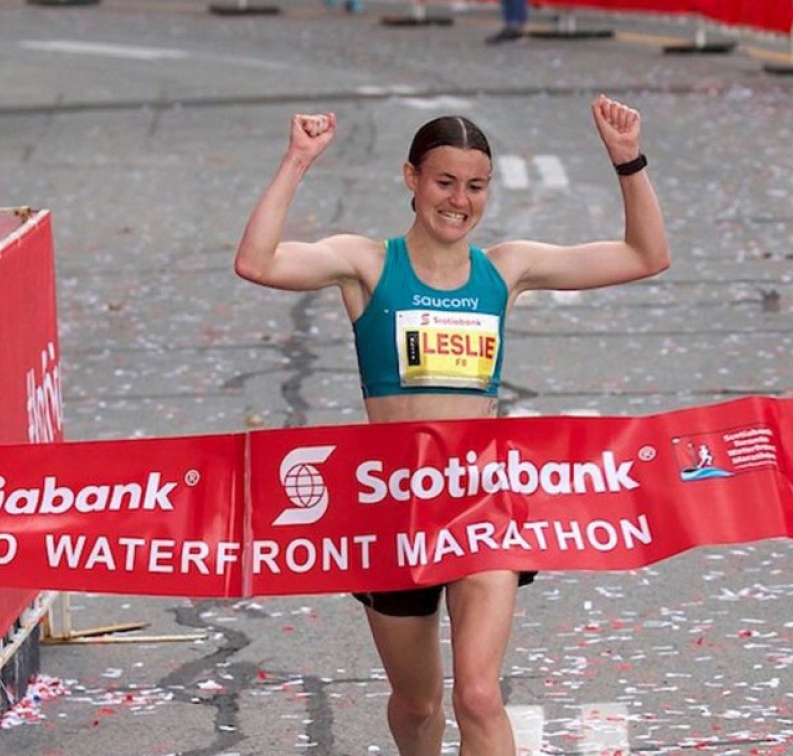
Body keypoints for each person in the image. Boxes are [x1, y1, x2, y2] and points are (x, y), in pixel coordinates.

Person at [234, 95, 668, 755]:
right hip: (394, 512)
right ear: (412, 180)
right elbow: (258, 262)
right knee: (418, 705)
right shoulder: (368, 265)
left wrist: (626, 160)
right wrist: (298, 161)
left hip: (479, 508)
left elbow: (645, 254)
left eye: (475, 187)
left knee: (480, 696)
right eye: (444, 182)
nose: (458, 200)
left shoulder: (506, 268)